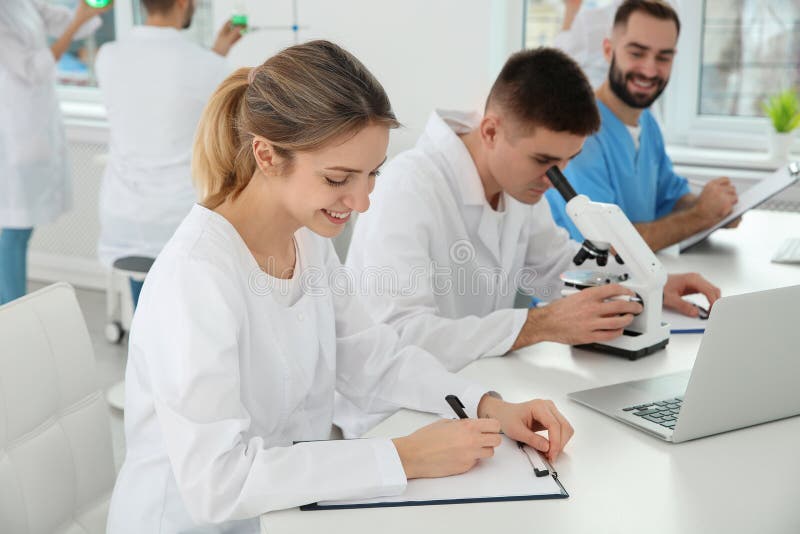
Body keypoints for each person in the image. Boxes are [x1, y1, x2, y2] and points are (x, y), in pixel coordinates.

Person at [106, 40, 574, 533]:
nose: (362, 201)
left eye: (372, 174)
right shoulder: (196, 279)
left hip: (287, 514)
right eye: (338, 178)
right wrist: (401, 456)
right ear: (266, 155)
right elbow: (217, 483)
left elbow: (372, 356)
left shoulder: (305, 240)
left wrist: (487, 405)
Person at [339, 46, 720, 438]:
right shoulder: (407, 188)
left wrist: (642, 282)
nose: (554, 178)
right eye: (543, 161)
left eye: (567, 160)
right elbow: (400, 337)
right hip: (392, 420)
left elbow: (556, 266)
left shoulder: (520, 184)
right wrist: (537, 325)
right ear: (490, 131)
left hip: (478, 398)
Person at [546, 0, 740, 252]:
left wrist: (718, 208)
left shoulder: (647, 123)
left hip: (636, 282)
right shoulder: (580, 135)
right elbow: (605, 244)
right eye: (637, 53)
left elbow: (670, 197)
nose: (649, 70)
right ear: (608, 51)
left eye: (663, 57)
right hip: (583, 288)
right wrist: (701, 216)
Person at [95, 0, 242, 306]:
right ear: (182, 3)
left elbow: (158, 94)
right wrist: (216, 57)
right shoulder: (208, 66)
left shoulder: (107, 56)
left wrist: (215, 54)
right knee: (187, 320)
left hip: (125, 219)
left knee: (147, 321)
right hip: (180, 220)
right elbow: (192, 92)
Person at [0, 0, 107, 305]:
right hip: (14, 134)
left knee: (21, 227)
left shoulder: (24, 3)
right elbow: (32, 69)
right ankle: (10, 309)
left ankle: (10, 305)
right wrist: (77, 23)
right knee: (15, 227)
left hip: (34, 127)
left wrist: (90, 10)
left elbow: (71, 21)